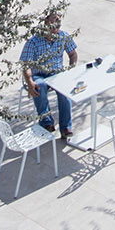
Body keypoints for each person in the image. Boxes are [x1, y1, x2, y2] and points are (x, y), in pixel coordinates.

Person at [21, 10, 79, 141]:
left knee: (64, 91)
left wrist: (70, 69)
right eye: (52, 25)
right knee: (39, 86)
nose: (55, 29)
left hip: (56, 73)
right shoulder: (33, 42)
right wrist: (29, 81)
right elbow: (26, 65)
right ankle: (46, 122)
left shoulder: (63, 36)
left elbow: (73, 54)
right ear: (45, 24)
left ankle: (65, 127)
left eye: (57, 25)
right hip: (39, 74)